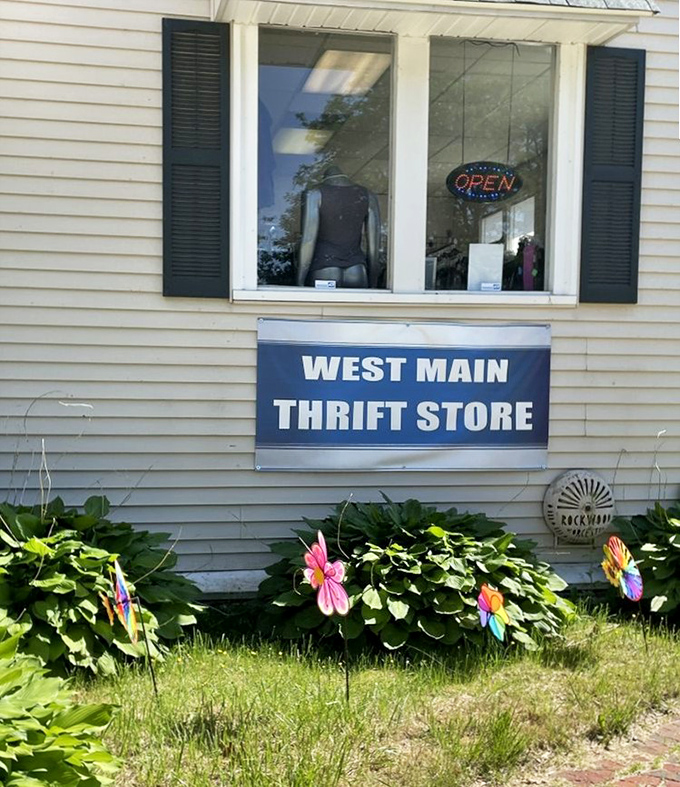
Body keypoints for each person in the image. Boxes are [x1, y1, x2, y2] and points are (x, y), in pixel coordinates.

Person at [296, 166, 381, 288]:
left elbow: (308, 240)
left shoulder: (315, 194)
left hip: (324, 267)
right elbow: (374, 247)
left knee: (322, 307)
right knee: (355, 307)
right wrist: (374, 283)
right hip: (357, 270)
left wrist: (300, 280)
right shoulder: (368, 195)